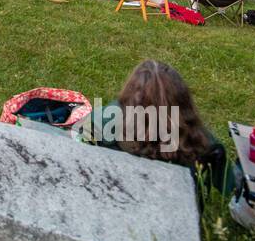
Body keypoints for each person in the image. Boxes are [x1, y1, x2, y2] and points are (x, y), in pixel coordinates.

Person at [80, 59, 228, 197]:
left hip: (114, 194)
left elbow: (75, 147)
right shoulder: (202, 140)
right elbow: (233, 187)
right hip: (175, 206)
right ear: (183, 103)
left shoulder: (104, 120)